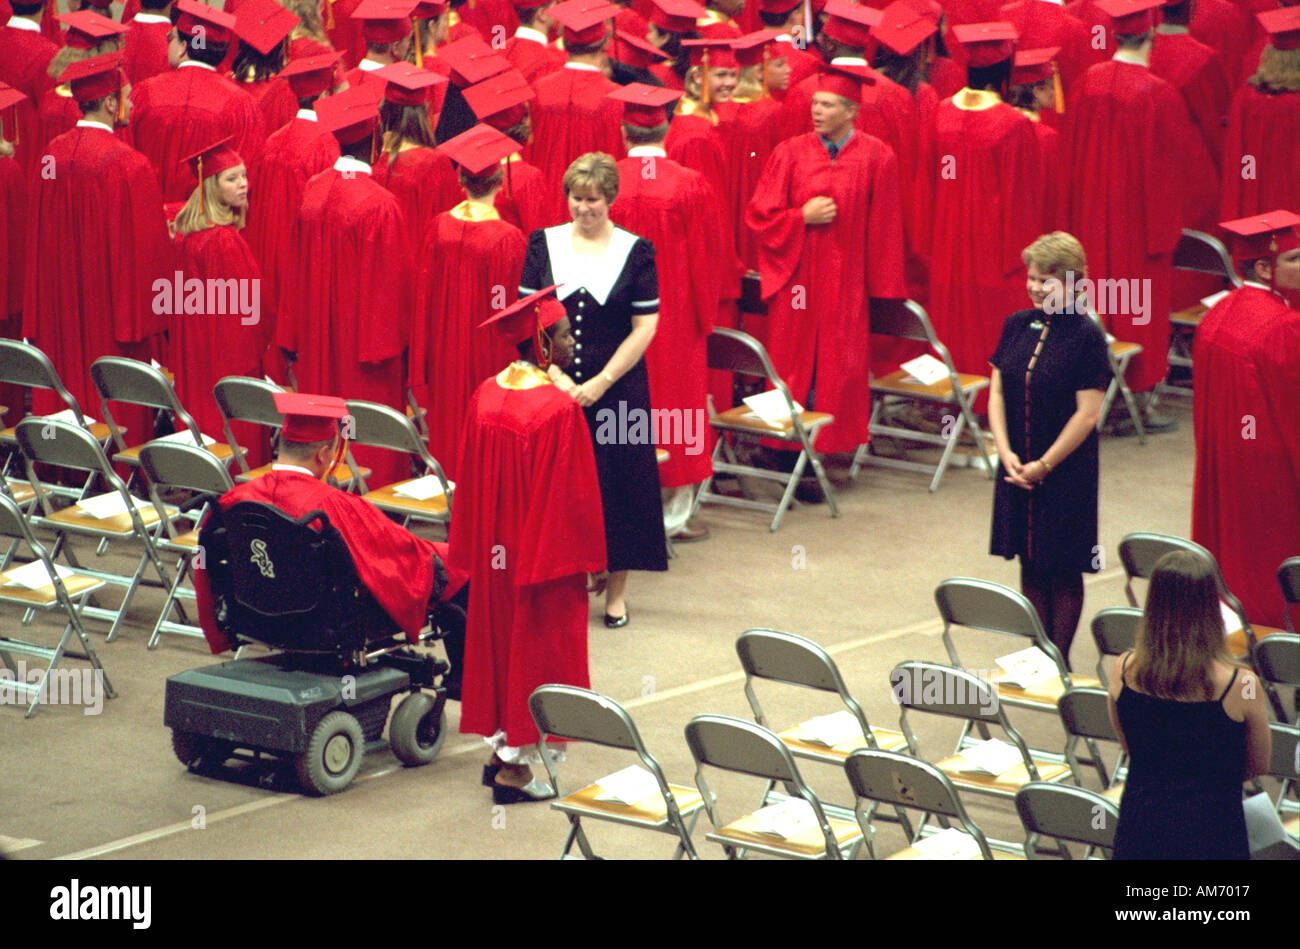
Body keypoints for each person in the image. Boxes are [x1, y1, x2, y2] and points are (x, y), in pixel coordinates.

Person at [449, 287, 605, 804]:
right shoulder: (557, 410)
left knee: (500, 650)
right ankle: (513, 772)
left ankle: (501, 753)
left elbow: (466, 483)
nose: (571, 341)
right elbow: (572, 501)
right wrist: (590, 561)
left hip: (496, 557)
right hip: (542, 561)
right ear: (540, 343)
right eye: (562, 335)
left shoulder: (485, 395)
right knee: (539, 655)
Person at [193, 392, 469, 668]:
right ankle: (461, 680)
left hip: (258, 616)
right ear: (324, 454)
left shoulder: (234, 501)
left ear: (281, 444)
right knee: (459, 568)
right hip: (326, 622)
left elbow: (204, 560)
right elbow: (400, 555)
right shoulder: (334, 507)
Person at [522, 152, 668, 626]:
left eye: (593, 201)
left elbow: (645, 328)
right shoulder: (542, 244)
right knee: (560, 491)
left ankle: (617, 594)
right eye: (576, 199)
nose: (583, 209)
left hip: (620, 389)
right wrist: (558, 378)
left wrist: (602, 382)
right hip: (555, 388)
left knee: (622, 488)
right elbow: (530, 321)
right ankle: (571, 579)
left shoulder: (636, 250)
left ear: (610, 200)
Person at [745, 64, 905, 483]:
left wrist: (881, 290)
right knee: (790, 363)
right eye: (815, 103)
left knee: (836, 366)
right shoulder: (790, 151)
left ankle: (818, 456)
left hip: (846, 282)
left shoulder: (877, 155)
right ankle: (781, 450)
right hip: (795, 280)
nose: (816, 111)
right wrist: (801, 217)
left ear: (851, 111)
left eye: (827, 104)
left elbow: (886, 227)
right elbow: (760, 215)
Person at [1062, 0, 1202, 427]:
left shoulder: (1085, 82)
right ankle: (1132, 401)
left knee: (1095, 294)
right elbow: (1169, 174)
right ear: (1153, 35)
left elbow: (1068, 156)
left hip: (1087, 217)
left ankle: (1089, 393)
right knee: (1135, 304)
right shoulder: (1158, 93)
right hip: (1135, 227)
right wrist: (1163, 233)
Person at [23, 52, 171, 440]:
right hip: (110, 320)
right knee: (112, 402)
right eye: (127, 94)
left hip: (59, 311)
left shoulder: (49, 157)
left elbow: (34, 235)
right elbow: (147, 262)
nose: (133, 103)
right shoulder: (129, 166)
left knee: (64, 394)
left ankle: (64, 469)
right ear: (110, 103)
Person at [275, 85, 412, 488]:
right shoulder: (379, 204)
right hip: (365, 356)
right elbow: (394, 294)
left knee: (327, 433)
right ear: (377, 137)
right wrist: (394, 345)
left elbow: (294, 271)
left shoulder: (313, 192)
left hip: (319, 343)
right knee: (369, 440)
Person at [988, 232, 1109, 668]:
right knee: (1030, 560)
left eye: (1047, 281)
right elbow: (997, 392)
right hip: (1017, 464)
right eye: (1033, 278)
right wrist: (1005, 452)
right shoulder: (1016, 323)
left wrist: (1044, 464)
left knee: (1062, 564)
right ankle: (1038, 655)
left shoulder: (1087, 336)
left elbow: (1087, 415)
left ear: (1074, 283)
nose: (1036, 287)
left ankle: (1059, 662)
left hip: (1065, 469)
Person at [610, 83, 723, 541]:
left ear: (623, 132)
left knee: (623, 404)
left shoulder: (606, 182)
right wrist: (702, 316)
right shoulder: (689, 183)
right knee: (676, 408)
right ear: (667, 129)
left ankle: (621, 508)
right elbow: (706, 259)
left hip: (617, 320)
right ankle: (672, 518)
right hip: (672, 319)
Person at [1106, 550, 1271, 860]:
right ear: (1211, 608)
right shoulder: (1241, 683)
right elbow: (1259, 764)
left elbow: (1129, 746)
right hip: (1212, 829)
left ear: (1153, 604)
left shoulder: (1123, 669)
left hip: (1141, 826)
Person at [1193, 211, 1300, 627]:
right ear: (1263, 266)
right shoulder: (1283, 328)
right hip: (1272, 478)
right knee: (1273, 567)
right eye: (1294, 259)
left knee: (1235, 560)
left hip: (1225, 466)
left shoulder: (1217, 315)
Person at [412, 122, 527, 479]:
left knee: (448, 416)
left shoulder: (438, 227)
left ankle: (447, 485)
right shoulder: (506, 238)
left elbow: (426, 290)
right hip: (485, 347)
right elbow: (500, 301)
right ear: (501, 182)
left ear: (460, 180)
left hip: (445, 345)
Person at [169, 137, 271, 463]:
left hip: (197, 360)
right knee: (235, 440)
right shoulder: (224, 242)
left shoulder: (191, 237)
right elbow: (250, 312)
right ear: (212, 186)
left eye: (243, 176)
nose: (243, 184)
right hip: (229, 362)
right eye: (232, 178)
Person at [130, 0, 266, 204]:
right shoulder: (241, 103)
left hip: (152, 216)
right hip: (208, 224)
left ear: (183, 47)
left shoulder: (145, 93)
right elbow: (246, 174)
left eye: (171, 38)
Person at [524, 0, 624, 224]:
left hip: (543, 208)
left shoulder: (538, 90)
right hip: (592, 210)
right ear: (604, 45)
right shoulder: (614, 98)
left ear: (564, 43)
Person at [1219, 9, 1298, 224]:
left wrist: (1249, 188)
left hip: (1254, 196)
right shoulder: (1294, 104)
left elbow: (1244, 157)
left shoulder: (1245, 98)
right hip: (1293, 198)